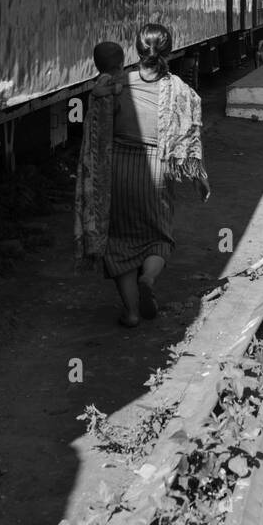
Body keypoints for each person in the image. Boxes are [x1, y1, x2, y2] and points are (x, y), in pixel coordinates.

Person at [74, 24, 210, 328]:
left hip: (119, 170)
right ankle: (148, 277)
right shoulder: (179, 89)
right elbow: (191, 131)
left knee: (119, 243)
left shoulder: (114, 83)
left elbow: (95, 127)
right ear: (169, 51)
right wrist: (198, 175)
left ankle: (132, 313)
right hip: (157, 168)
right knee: (159, 237)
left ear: (136, 51)